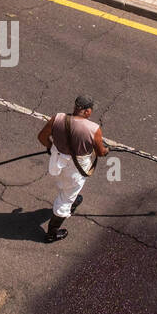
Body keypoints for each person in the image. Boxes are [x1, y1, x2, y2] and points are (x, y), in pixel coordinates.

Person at [37, 95, 110, 242]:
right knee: (65, 200)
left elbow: (42, 137)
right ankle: (51, 234)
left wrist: (52, 148)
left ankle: (71, 197)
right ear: (88, 111)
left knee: (64, 185)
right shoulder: (93, 129)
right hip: (75, 169)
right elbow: (101, 152)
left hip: (57, 162)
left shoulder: (57, 118)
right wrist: (107, 150)